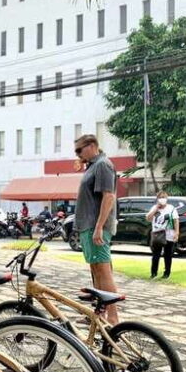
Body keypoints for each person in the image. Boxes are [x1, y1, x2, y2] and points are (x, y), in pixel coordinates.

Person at [73, 134, 121, 325]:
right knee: (96, 270)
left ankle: (113, 318)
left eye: (80, 150)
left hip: (96, 224)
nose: (78, 154)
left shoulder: (103, 165)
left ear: (92, 145)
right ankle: (99, 315)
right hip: (88, 224)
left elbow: (108, 196)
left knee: (103, 269)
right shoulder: (93, 165)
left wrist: (99, 226)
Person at [146, 191, 180, 279]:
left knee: (168, 254)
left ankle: (166, 273)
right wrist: (156, 209)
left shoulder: (171, 208)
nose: (162, 199)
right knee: (156, 255)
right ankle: (154, 273)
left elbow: (176, 220)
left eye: (164, 197)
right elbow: (148, 218)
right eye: (160, 197)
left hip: (169, 234)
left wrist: (176, 233)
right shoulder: (154, 208)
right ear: (157, 199)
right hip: (157, 234)